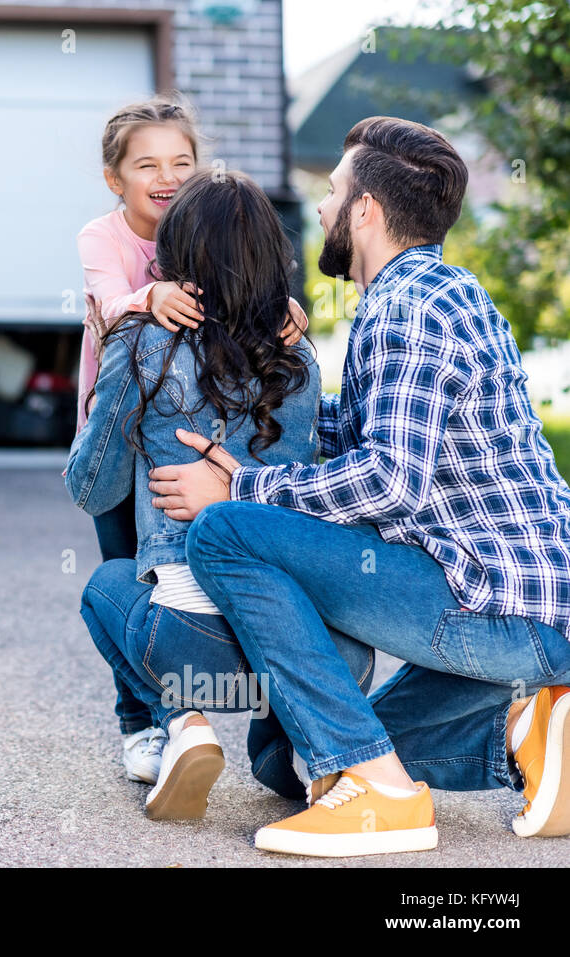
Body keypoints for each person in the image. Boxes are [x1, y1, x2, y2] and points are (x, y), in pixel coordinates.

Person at [148, 116, 570, 857]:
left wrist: (242, 485)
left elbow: (389, 480)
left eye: (334, 192)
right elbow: (365, 437)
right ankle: (525, 733)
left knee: (224, 531)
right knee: (293, 759)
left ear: (365, 211)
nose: (320, 209)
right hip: (530, 612)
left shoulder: (406, 309)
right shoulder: (441, 291)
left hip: (500, 606)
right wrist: (277, 394)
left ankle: (383, 796)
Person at [65, 168, 368, 819]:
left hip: (187, 644)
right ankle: (295, 745)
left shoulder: (145, 341)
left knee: (105, 583)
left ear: (176, 256)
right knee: (285, 588)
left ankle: (185, 725)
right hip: (314, 650)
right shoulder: (300, 357)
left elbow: (93, 488)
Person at [75, 96, 306, 784]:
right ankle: (145, 723)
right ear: (116, 179)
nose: (168, 175)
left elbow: (243, 279)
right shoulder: (104, 237)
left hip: (201, 420)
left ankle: (229, 724)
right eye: (147, 164)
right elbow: (108, 302)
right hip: (119, 425)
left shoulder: (208, 227)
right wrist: (149, 298)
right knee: (131, 568)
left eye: (181, 161)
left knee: (142, 585)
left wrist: (279, 302)